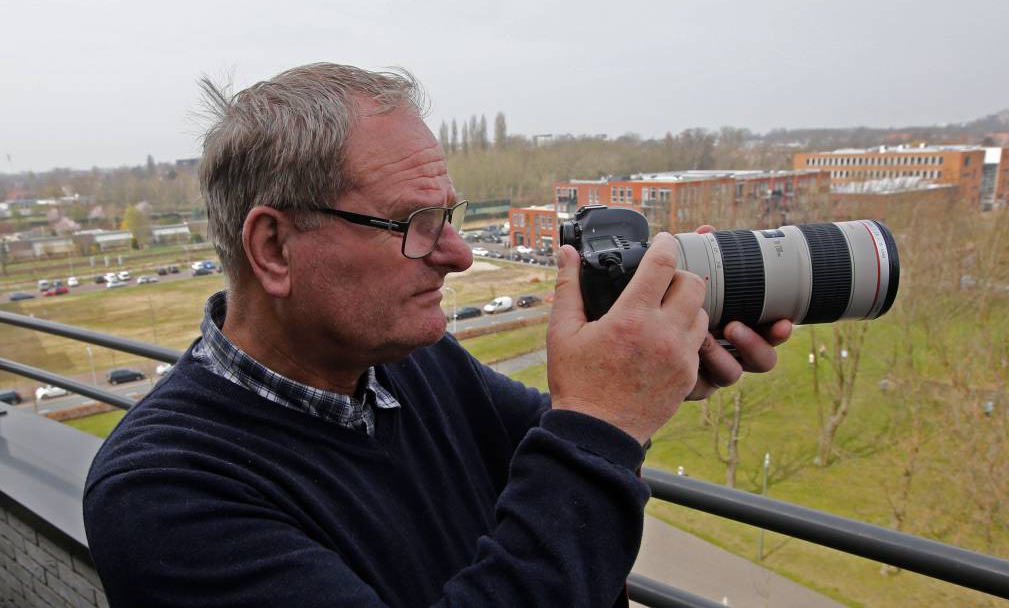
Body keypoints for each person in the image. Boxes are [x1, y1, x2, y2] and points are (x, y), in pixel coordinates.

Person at [82, 63, 792, 607]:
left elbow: (568, 453)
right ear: (273, 247)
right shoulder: (162, 498)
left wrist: (650, 373)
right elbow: (583, 451)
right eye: (415, 225)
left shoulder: (405, 365)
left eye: (447, 216)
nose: (457, 254)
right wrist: (607, 421)